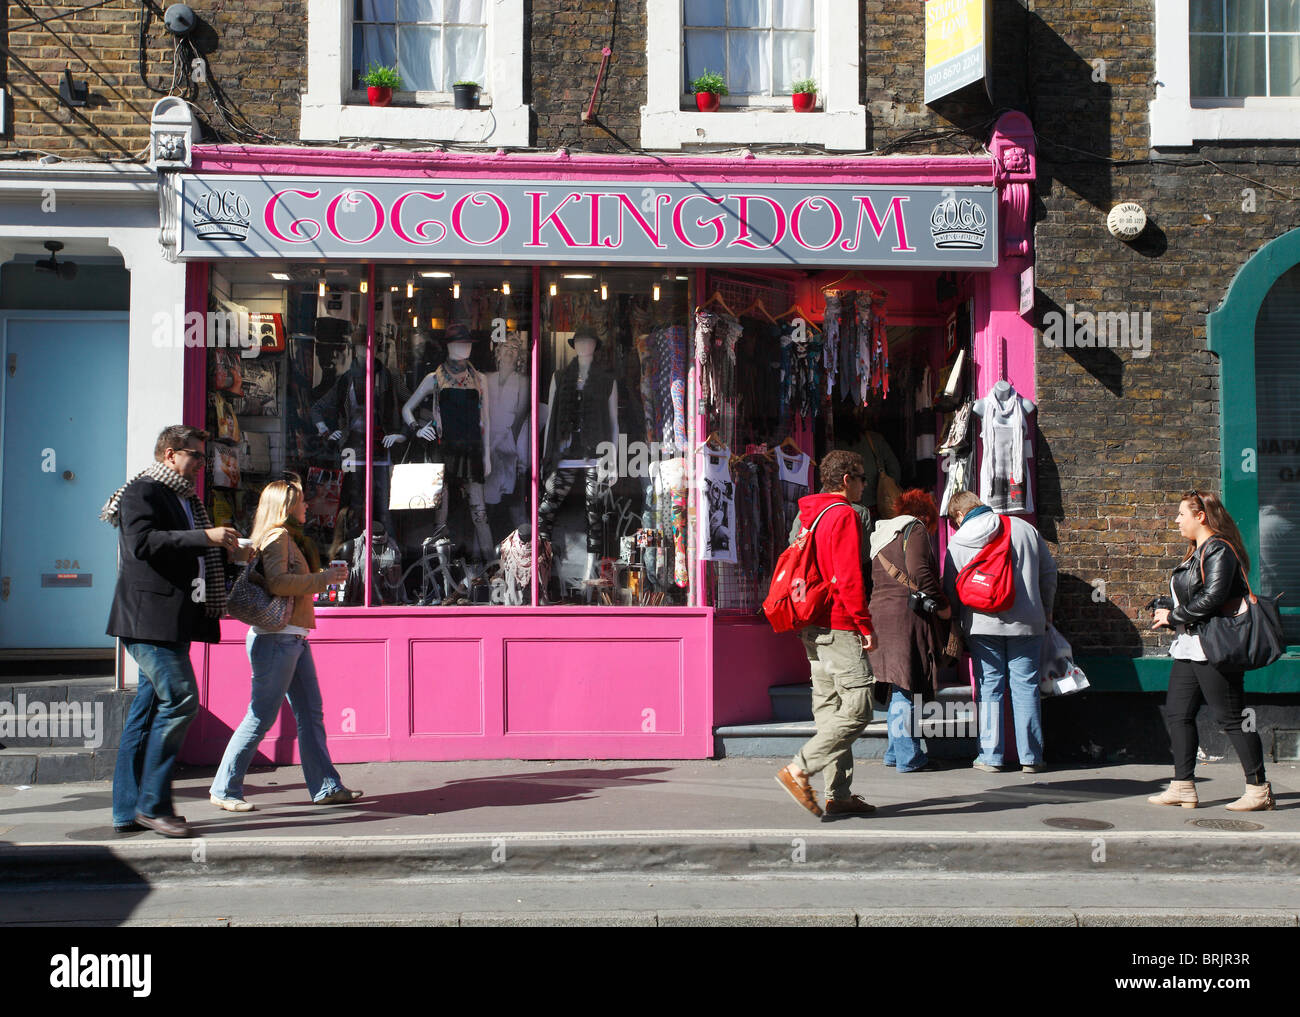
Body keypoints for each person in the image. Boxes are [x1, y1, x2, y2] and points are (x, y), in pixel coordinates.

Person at [103, 425, 244, 838]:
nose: (202, 464)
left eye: (203, 458)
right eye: (195, 456)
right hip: (146, 620)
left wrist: (223, 548)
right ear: (169, 454)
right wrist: (206, 537)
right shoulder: (142, 491)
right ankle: (153, 805)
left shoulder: (184, 498)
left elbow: (184, 553)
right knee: (181, 701)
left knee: (145, 717)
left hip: (171, 619)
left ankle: (127, 811)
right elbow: (143, 543)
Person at [209, 477, 363, 811]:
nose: (306, 505)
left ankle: (326, 787)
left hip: (292, 638)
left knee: (310, 714)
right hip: (277, 640)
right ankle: (224, 789)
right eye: (301, 501)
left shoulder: (287, 537)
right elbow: (278, 583)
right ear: (286, 506)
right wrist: (323, 579)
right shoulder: (279, 537)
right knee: (260, 717)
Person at [1149, 491, 1273, 811]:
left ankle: (1258, 790)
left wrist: (1174, 616)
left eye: (1181, 514)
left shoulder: (1219, 548)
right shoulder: (1198, 551)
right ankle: (1183, 786)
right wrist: (1168, 608)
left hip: (1214, 647)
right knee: (1178, 714)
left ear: (1200, 516)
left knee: (1232, 718)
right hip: (1190, 646)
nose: (1177, 520)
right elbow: (1196, 595)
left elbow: (1214, 597)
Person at [775, 450, 879, 818]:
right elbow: (849, 576)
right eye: (862, 477)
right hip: (838, 623)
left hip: (811, 623)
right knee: (860, 704)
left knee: (830, 708)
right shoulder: (845, 515)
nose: (866, 484)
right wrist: (864, 625)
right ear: (847, 479)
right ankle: (801, 768)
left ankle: (838, 793)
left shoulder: (811, 515)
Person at [943, 490, 1057, 773]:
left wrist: (957, 623)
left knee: (989, 688)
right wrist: (1047, 610)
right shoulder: (1024, 529)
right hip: (1028, 621)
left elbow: (950, 589)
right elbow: (1048, 573)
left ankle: (991, 756)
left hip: (981, 624)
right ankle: (1031, 757)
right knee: (1026, 687)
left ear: (959, 514)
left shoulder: (958, 541)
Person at [869, 489, 951, 773]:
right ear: (925, 516)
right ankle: (909, 758)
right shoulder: (913, 529)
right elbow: (919, 572)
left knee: (898, 683)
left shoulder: (883, 534)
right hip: (905, 616)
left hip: (880, 614)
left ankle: (895, 753)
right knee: (906, 685)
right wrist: (942, 606)